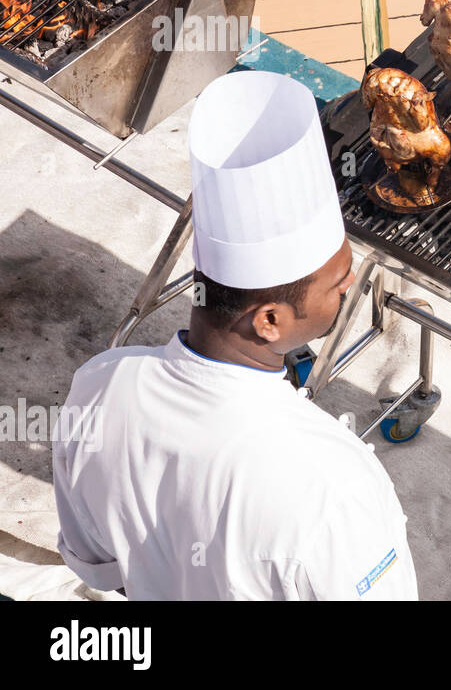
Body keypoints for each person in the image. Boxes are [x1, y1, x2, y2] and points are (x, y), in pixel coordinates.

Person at [52, 71, 418, 599]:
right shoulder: (332, 487)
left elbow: (97, 565)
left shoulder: (99, 385)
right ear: (269, 321)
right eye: (339, 286)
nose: (348, 293)